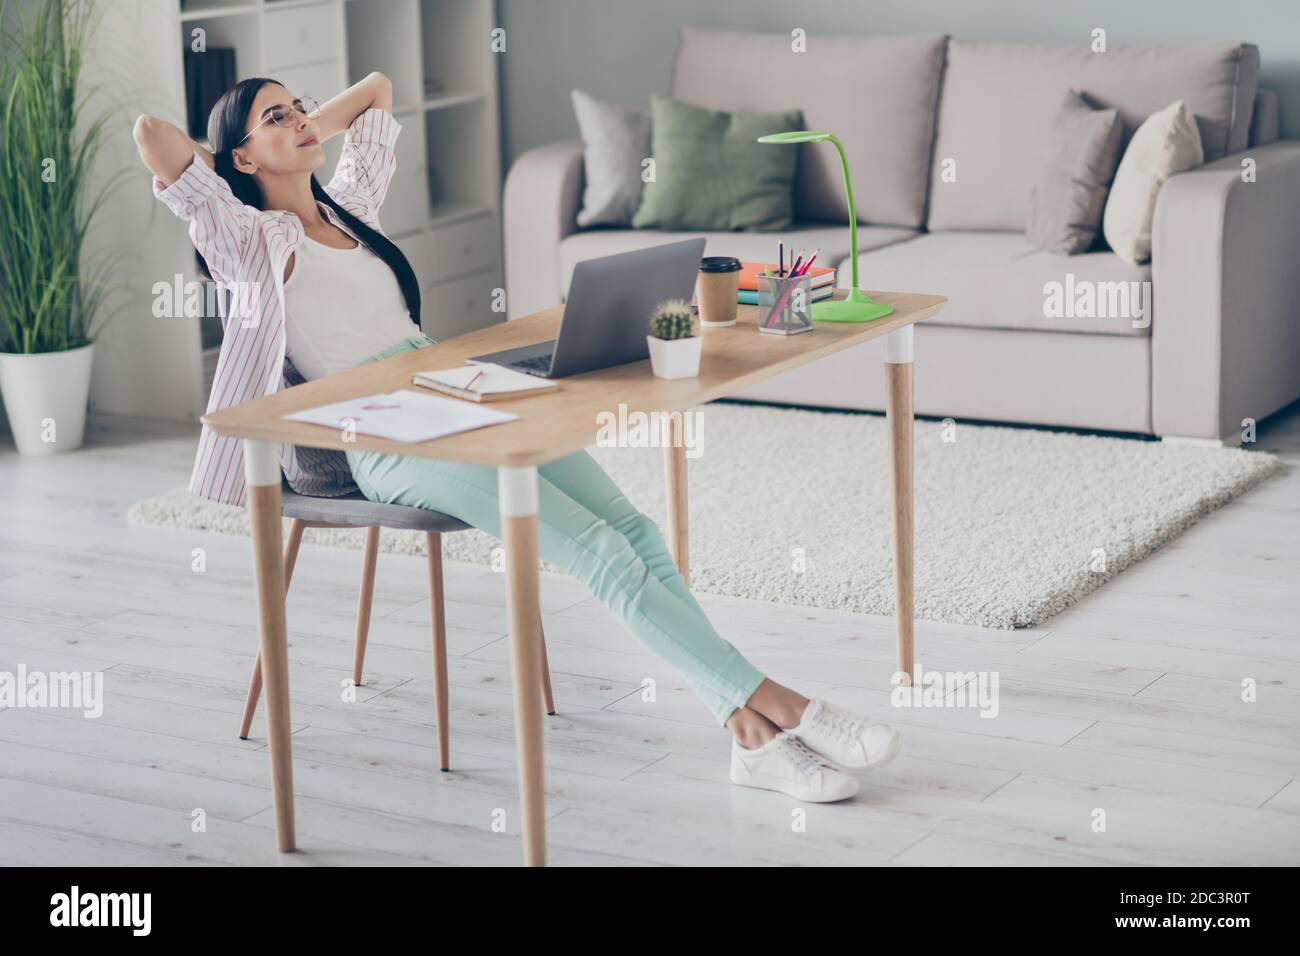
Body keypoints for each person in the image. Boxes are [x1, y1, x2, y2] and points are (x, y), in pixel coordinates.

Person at [134, 72, 902, 802]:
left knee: (632, 530)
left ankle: (750, 737)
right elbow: (152, 136)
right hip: (383, 432)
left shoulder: (344, 209)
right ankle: (788, 707)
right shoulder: (249, 240)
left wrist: (292, 135)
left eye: (300, 106)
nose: (304, 119)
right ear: (238, 156)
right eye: (278, 117)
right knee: (597, 552)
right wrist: (238, 166)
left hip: (450, 387)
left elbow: (375, 92)